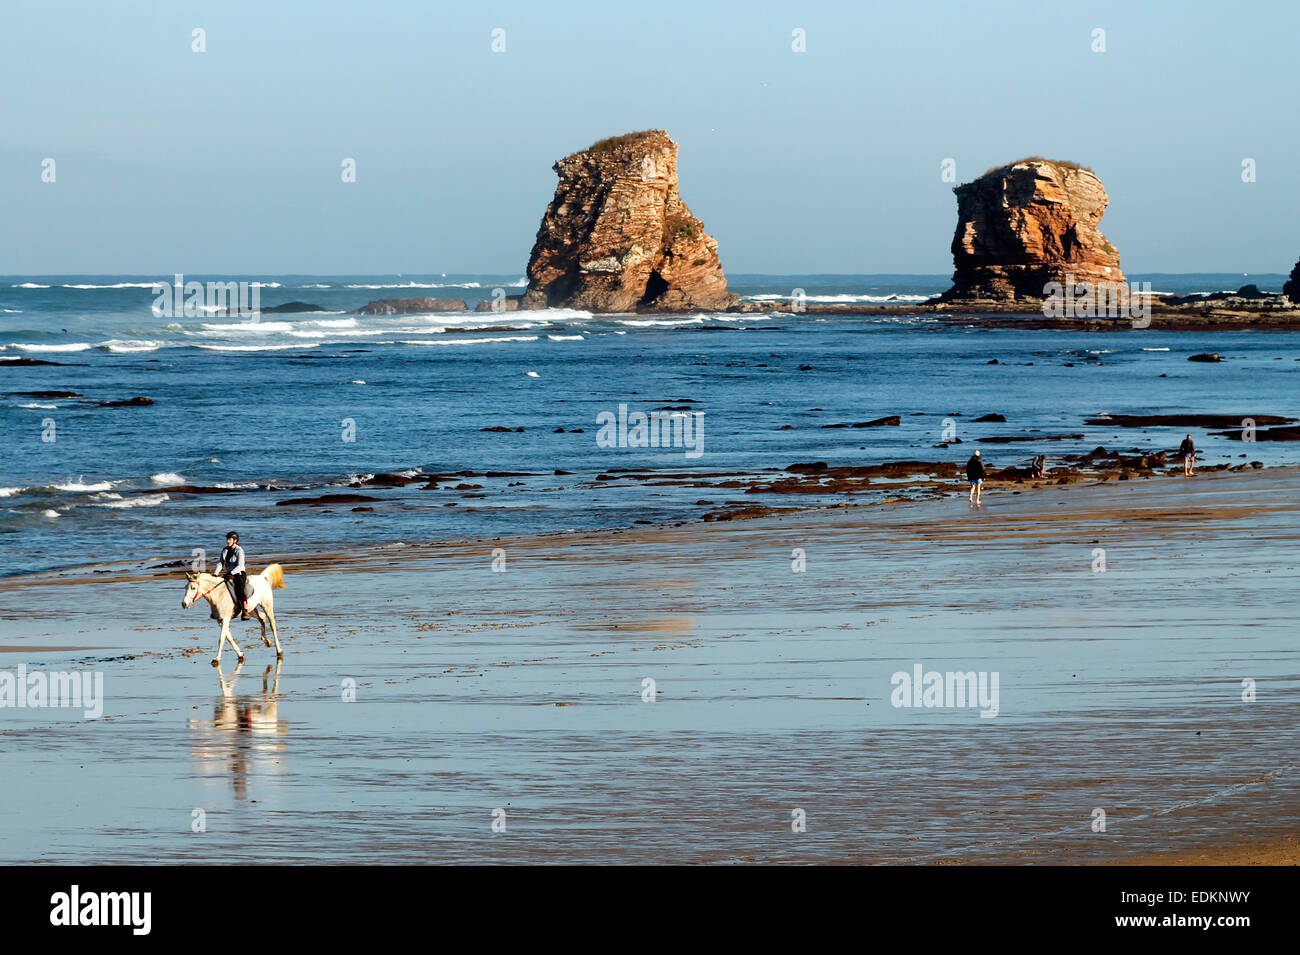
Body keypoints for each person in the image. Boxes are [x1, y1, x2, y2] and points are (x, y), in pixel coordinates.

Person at [216, 531, 250, 620]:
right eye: (227, 539)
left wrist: (230, 573)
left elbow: (240, 566)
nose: (227, 541)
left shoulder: (239, 551)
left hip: (239, 573)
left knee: (240, 590)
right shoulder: (225, 550)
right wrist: (215, 574)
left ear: (235, 540)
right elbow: (220, 563)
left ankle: (244, 610)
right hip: (228, 574)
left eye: (229, 539)